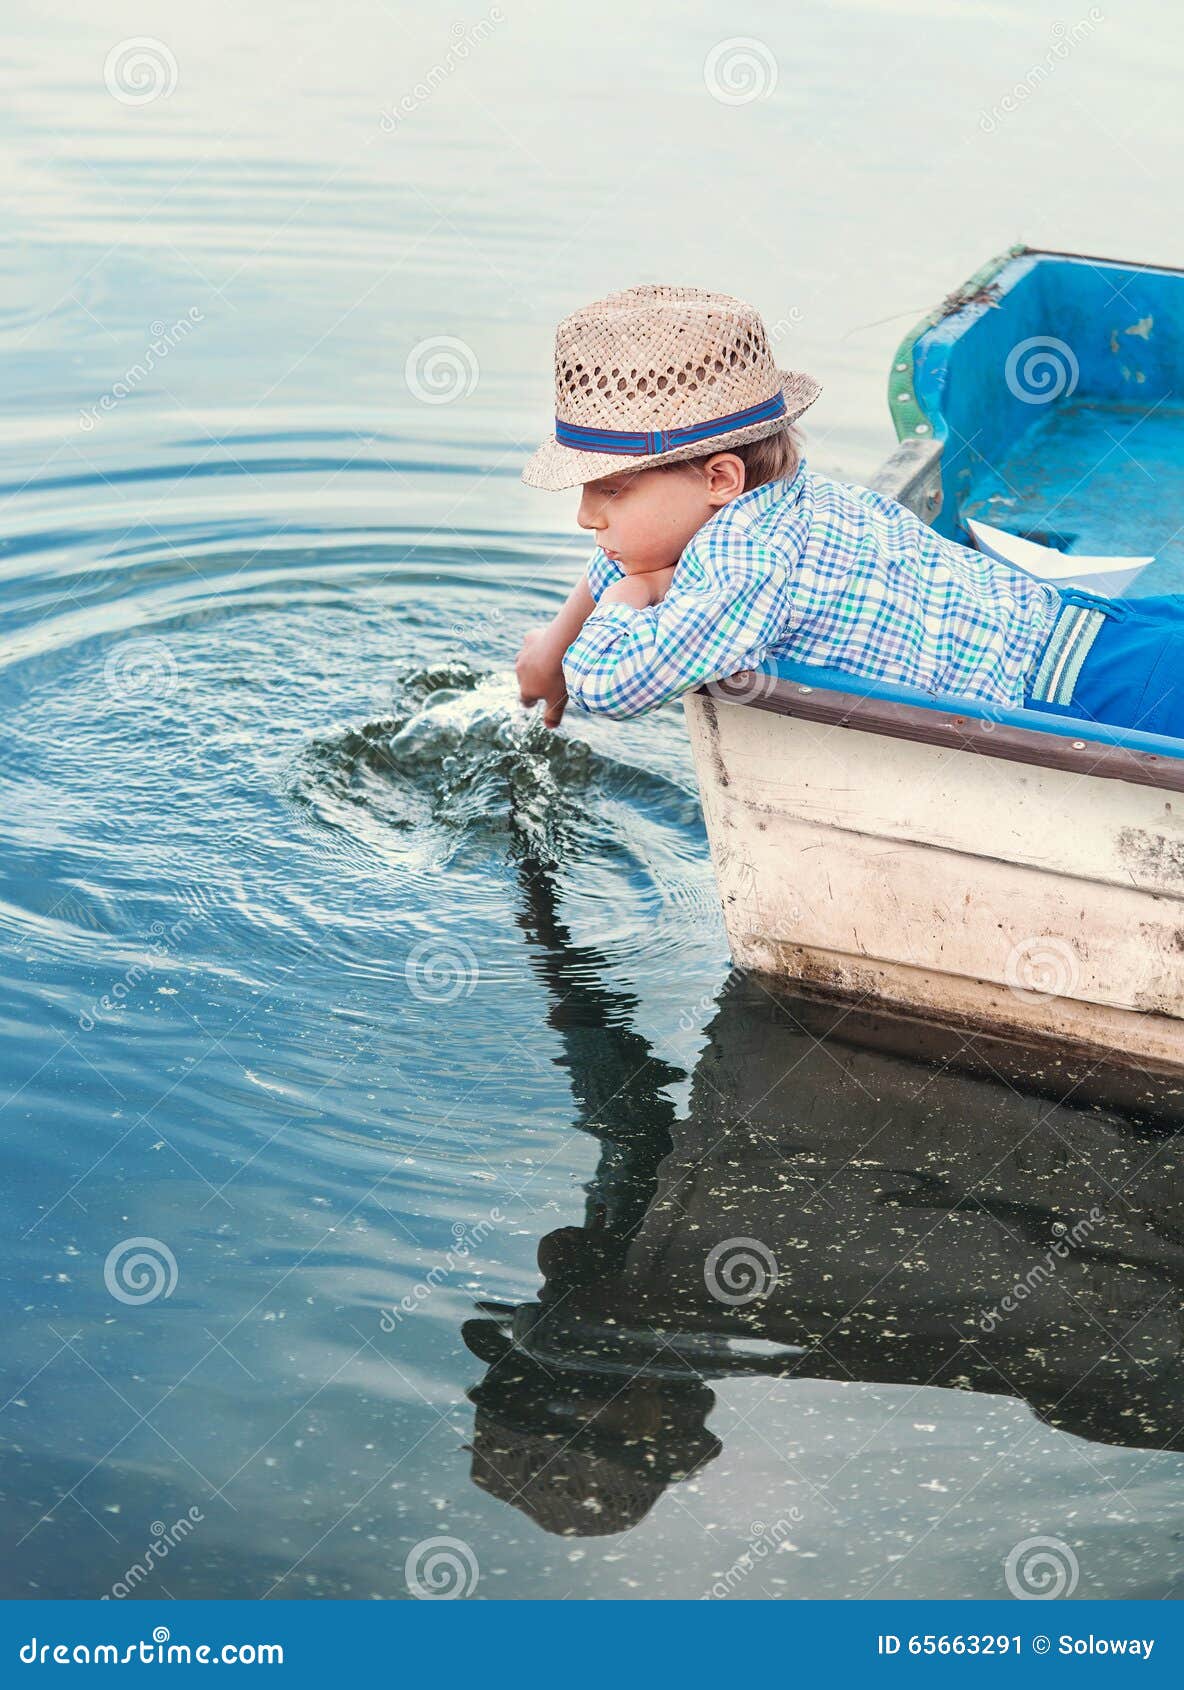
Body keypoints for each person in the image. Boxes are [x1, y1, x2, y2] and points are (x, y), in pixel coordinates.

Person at [515, 284, 1184, 736]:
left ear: (720, 478)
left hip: (1082, 695)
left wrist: (627, 599)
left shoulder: (744, 562)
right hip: (1092, 629)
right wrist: (552, 645)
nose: (586, 518)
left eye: (610, 490)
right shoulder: (788, 496)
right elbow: (627, 556)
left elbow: (611, 685)